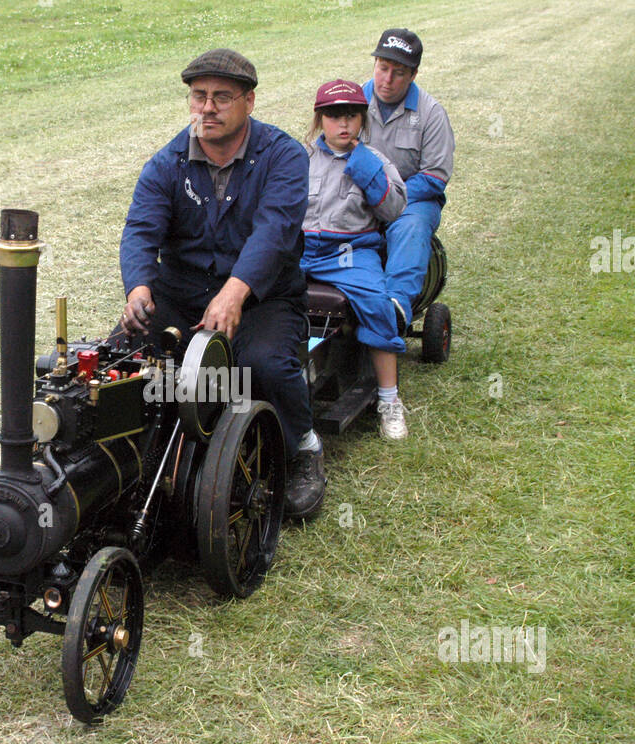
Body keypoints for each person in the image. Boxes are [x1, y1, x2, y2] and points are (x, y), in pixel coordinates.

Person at [119, 49, 326, 519]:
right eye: (198, 97)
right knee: (125, 362)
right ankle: (125, 463)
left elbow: (274, 232)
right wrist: (138, 289)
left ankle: (302, 450)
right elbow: (140, 231)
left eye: (221, 97)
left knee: (262, 366)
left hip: (264, 300)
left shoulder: (284, 156)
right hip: (181, 298)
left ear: (249, 102)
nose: (207, 108)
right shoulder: (166, 163)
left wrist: (236, 291)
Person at [300, 80, 410, 439]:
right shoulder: (299, 157)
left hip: (350, 253)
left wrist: (366, 172)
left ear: (362, 120)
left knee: (377, 305)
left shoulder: (374, 161)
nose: (343, 124)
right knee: (253, 294)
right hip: (301, 251)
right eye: (333, 116)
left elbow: (394, 210)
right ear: (320, 120)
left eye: (351, 116)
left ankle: (389, 400)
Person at [360, 28, 455, 336]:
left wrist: (386, 198)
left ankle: (395, 309)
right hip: (358, 195)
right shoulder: (351, 105)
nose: (386, 80)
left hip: (413, 200)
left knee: (410, 227)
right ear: (374, 64)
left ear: (413, 74)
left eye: (398, 73)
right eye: (382, 68)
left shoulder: (431, 113)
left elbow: (434, 177)